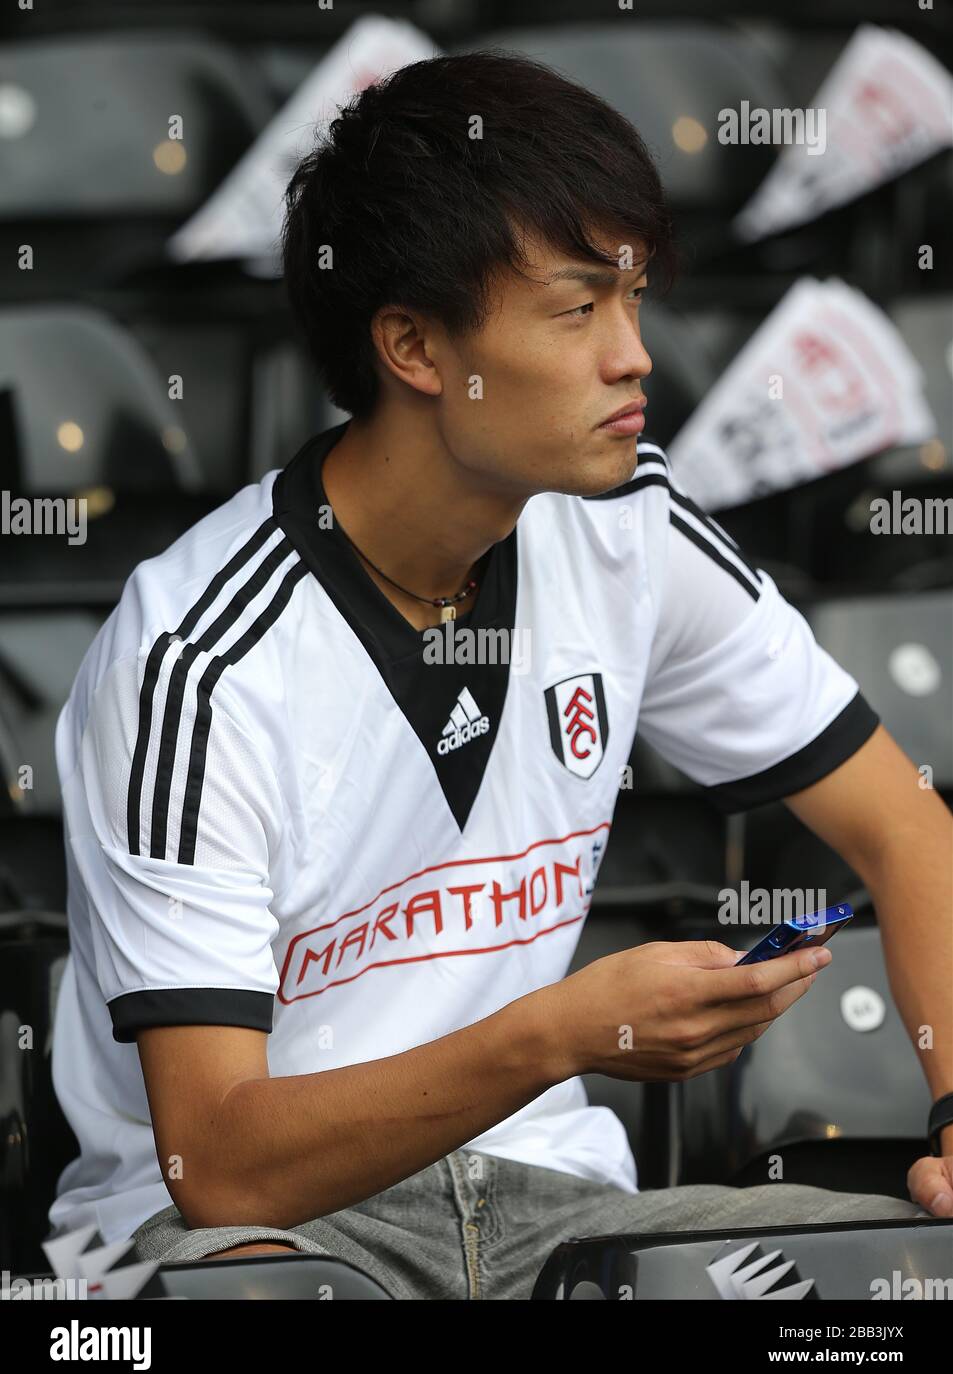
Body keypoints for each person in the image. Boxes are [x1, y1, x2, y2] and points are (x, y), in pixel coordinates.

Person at [48, 52, 952, 1300]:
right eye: (578, 311)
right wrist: (560, 1034)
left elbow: (906, 827)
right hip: (255, 1239)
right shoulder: (195, 659)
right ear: (415, 347)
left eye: (633, 302)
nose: (635, 357)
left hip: (551, 1201)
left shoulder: (626, 525)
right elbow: (217, 1162)